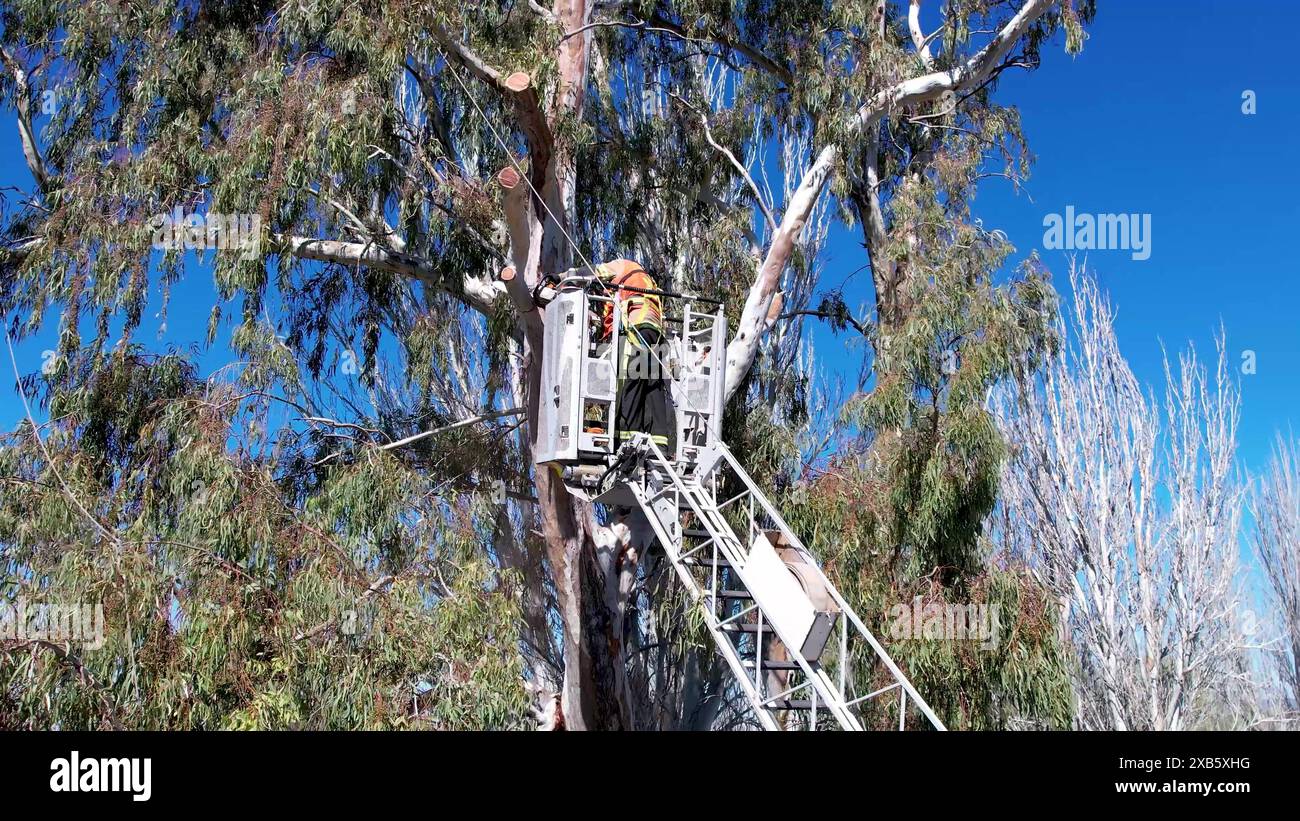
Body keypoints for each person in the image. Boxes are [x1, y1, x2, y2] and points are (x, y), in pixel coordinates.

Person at [591, 258, 676, 456]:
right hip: (654, 332)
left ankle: (627, 441)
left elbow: (593, 271)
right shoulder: (645, 280)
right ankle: (659, 445)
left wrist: (563, 277)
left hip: (635, 329)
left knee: (628, 384)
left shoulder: (622, 266)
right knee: (652, 387)